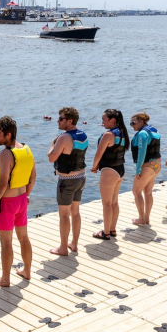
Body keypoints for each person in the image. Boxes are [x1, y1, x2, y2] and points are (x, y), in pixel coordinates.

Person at [0, 116, 35, 285]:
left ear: (8, 134)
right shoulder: (26, 149)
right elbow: (33, 175)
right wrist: (27, 195)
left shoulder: (6, 153)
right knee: (24, 237)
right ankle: (27, 270)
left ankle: (5, 279)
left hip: (7, 204)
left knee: (6, 242)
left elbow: (3, 183)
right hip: (21, 200)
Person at [47, 108, 87, 255]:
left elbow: (51, 157)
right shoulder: (83, 135)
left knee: (64, 215)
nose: (58, 120)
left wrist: (52, 143)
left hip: (66, 180)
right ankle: (74, 243)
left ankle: (63, 248)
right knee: (75, 212)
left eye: (61, 118)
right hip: (81, 178)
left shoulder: (64, 137)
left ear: (70, 121)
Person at [90, 109, 129, 237]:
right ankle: (112, 229)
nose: (102, 123)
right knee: (114, 202)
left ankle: (105, 232)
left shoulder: (108, 135)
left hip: (109, 171)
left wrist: (94, 167)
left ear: (112, 120)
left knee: (106, 203)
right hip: (120, 170)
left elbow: (98, 154)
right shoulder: (123, 133)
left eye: (104, 119)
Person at [129, 112, 161, 224]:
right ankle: (146, 218)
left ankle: (141, 219)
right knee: (148, 192)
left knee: (136, 191)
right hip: (156, 164)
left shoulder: (142, 134)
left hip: (147, 165)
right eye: (130, 123)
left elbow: (141, 153)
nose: (132, 125)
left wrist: (138, 171)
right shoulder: (153, 130)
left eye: (133, 123)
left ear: (141, 122)